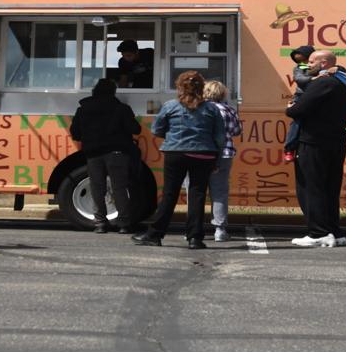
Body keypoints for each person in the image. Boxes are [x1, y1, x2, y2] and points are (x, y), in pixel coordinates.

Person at [134, 70, 226, 250]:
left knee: (170, 194)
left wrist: (172, 137)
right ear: (202, 87)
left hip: (175, 153)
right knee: (197, 195)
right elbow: (220, 137)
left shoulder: (170, 106)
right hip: (204, 154)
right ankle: (195, 238)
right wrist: (216, 156)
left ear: (179, 87)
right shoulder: (212, 109)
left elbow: (156, 129)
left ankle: (155, 234)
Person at [285, 49, 346, 248]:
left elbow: (298, 110)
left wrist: (290, 107)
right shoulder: (344, 83)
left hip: (314, 141)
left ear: (324, 63)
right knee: (330, 188)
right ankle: (334, 232)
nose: (308, 65)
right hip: (337, 141)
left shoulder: (323, 83)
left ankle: (318, 233)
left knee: (310, 187)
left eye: (312, 61)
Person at [68, 77, 142, 234]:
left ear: (95, 91)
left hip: (93, 153)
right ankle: (123, 224)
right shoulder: (122, 109)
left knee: (97, 187)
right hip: (117, 153)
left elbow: (75, 133)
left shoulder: (83, 109)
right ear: (113, 92)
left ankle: (100, 223)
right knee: (119, 188)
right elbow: (135, 129)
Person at [203, 80, 240, 242]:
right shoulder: (229, 110)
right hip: (224, 154)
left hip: (201, 153)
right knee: (219, 192)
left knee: (196, 192)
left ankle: (193, 228)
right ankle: (220, 230)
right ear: (223, 94)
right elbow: (237, 131)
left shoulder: (200, 109)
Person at [283, 44, 317, 217]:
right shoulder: (300, 68)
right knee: (296, 124)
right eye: (299, 60)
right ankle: (289, 148)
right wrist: (316, 77)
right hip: (301, 97)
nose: (302, 63)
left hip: (315, 98)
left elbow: (340, 70)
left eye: (304, 59)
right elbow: (300, 80)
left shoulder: (320, 67)